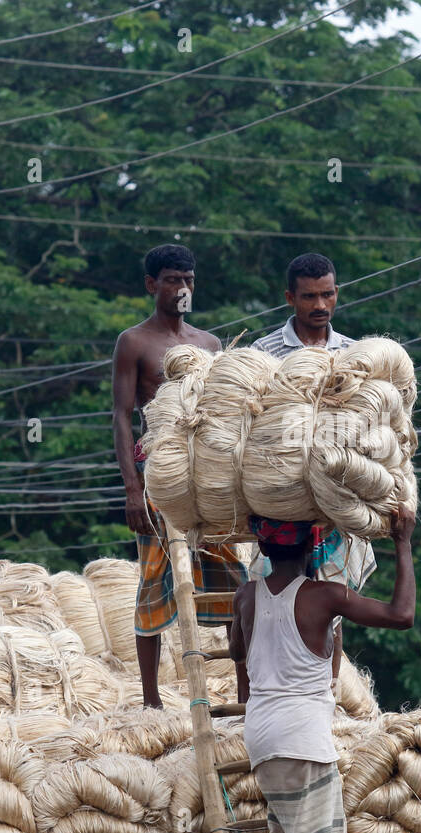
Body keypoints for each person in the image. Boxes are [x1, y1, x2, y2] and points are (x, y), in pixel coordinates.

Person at [228, 504, 416, 833]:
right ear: (313, 545)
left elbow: (236, 650)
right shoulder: (326, 596)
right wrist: (403, 543)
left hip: (262, 740)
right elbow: (402, 615)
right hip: (303, 745)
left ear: (263, 549)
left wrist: (246, 623)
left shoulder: (246, 596)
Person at [112, 244, 248, 708]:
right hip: (157, 472)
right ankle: (151, 701)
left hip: (205, 472)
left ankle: (245, 688)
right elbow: (121, 416)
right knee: (155, 573)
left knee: (233, 570)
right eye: (172, 279)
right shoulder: (134, 342)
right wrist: (132, 487)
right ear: (152, 285)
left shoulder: (208, 345)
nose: (182, 288)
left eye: (188, 279)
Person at [250, 253, 377, 666]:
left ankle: (330, 695)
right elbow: (251, 419)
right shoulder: (262, 353)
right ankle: (260, 691)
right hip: (282, 494)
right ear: (290, 298)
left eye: (327, 295)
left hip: (337, 493)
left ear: (337, 294)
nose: (320, 306)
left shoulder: (355, 354)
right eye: (309, 297)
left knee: (334, 602)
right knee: (267, 594)